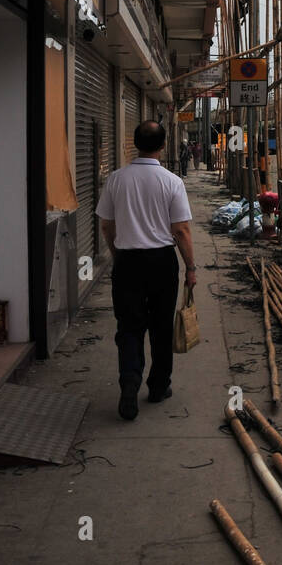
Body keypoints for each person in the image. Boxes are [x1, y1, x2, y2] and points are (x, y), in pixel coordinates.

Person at [96, 121, 197, 421]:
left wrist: (118, 254)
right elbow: (180, 230)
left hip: (128, 262)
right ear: (163, 145)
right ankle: (157, 386)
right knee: (161, 327)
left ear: (134, 144)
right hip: (161, 263)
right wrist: (190, 267)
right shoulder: (171, 181)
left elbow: (105, 224)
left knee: (129, 327)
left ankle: (129, 383)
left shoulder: (116, 179)